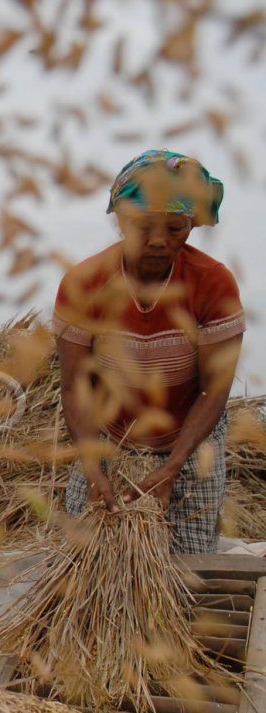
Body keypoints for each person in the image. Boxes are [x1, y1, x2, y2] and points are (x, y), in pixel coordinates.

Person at [53, 149, 245, 553]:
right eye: (143, 226)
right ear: (120, 221)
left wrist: (173, 467)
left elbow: (214, 391)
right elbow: (74, 388)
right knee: (83, 548)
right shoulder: (85, 284)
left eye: (175, 228)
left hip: (190, 433)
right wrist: (92, 469)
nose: (159, 241)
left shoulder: (213, 285)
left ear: (191, 225)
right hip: (110, 429)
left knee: (189, 559)